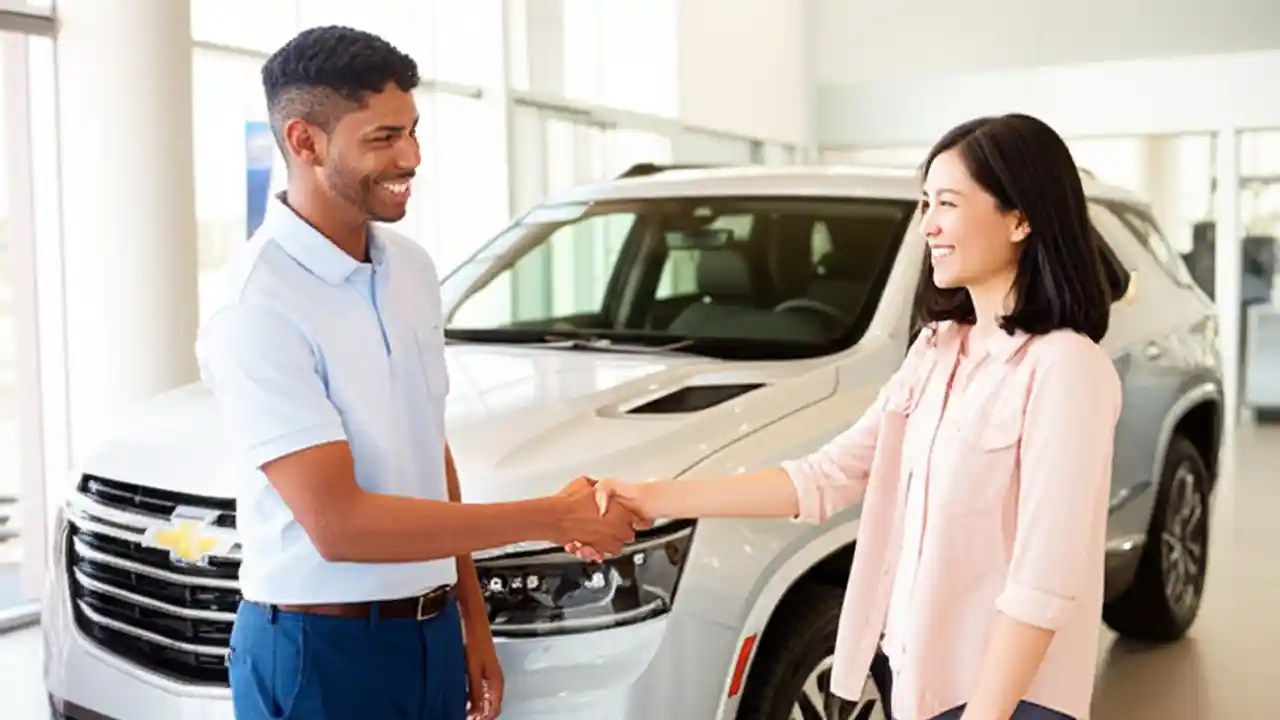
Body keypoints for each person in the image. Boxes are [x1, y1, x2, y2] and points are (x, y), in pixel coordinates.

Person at [577, 114, 1121, 720]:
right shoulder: (937, 350)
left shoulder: (1066, 369)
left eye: (948, 204)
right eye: (924, 204)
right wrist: (652, 498)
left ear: (1020, 218)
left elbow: (1042, 583)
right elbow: (824, 476)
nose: (929, 226)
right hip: (919, 684)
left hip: (1006, 699)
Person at [196, 27, 639, 720]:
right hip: (322, 650)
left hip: (429, 634)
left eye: (412, 131)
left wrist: (470, 620)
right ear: (305, 141)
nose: (411, 157)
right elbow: (339, 526)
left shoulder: (411, 269)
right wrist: (553, 516)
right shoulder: (256, 305)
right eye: (382, 138)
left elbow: (429, 454)